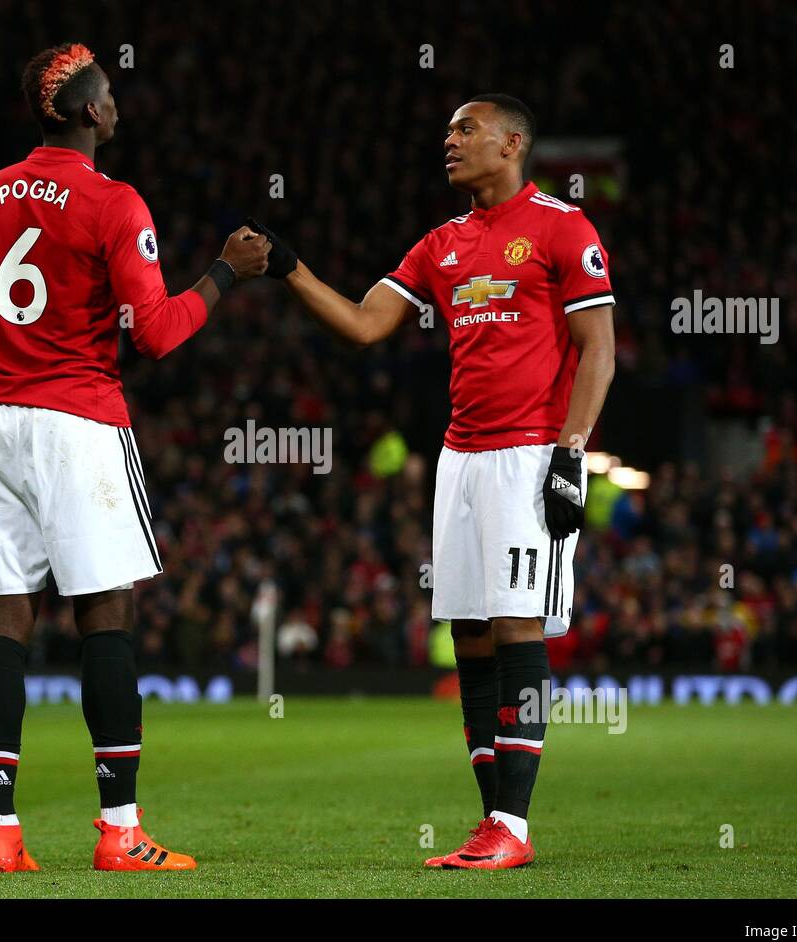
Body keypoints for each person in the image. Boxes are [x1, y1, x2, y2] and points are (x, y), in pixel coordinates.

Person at [249, 94, 615, 869]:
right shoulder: (441, 245)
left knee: (519, 626)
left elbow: (599, 349)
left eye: (466, 129)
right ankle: (497, 824)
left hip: (528, 455)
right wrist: (288, 268)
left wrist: (571, 452)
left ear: (512, 143)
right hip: (461, 459)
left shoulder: (562, 227)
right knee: (471, 638)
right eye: (447, 128)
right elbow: (362, 323)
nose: (448, 141)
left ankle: (511, 826)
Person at [0, 42, 270, 873]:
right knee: (105, 614)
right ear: (89, 111)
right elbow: (157, 333)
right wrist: (225, 275)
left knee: (5, 618)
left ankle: (1, 833)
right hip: (77, 418)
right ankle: (120, 831)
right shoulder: (114, 201)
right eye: (111, 94)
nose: (118, 105)